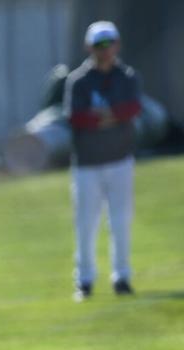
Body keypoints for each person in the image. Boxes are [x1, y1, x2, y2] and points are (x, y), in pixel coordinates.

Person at [63, 20, 141, 301]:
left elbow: (131, 109)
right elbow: (77, 118)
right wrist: (109, 117)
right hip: (87, 164)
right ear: (89, 47)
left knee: (121, 221)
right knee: (86, 224)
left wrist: (103, 116)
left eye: (109, 44)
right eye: (99, 45)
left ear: (117, 45)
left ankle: (122, 277)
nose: (105, 51)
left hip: (120, 160)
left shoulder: (127, 76)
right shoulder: (79, 80)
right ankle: (84, 280)